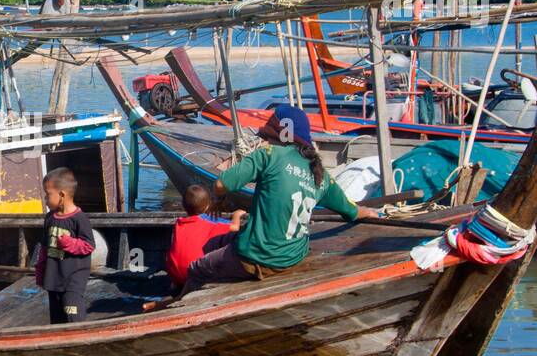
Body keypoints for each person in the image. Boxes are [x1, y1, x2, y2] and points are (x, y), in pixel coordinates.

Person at [145, 104, 376, 310]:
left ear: (281, 135)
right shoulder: (322, 176)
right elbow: (352, 211)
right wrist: (371, 213)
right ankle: (213, 278)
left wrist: (219, 198)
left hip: (258, 258)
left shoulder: (269, 154)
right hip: (292, 255)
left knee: (197, 267)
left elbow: (220, 183)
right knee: (213, 244)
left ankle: (179, 306)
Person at [34, 167, 95, 324]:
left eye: (48, 195)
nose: (46, 200)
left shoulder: (79, 219)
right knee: (57, 318)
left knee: (72, 312)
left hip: (73, 278)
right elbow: (45, 247)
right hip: (53, 277)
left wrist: (69, 243)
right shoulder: (49, 218)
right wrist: (40, 271)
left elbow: (88, 245)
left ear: (62, 195)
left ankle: (80, 337)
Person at [165, 184, 245, 289]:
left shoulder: (179, 223)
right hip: (196, 275)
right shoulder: (210, 222)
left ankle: (176, 283)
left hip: (175, 274)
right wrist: (236, 215)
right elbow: (234, 227)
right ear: (208, 206)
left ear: (183, 205)